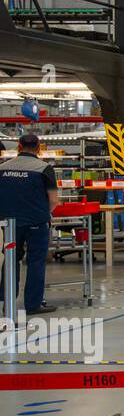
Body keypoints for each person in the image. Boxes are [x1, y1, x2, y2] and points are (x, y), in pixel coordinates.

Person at [0, 133, 58, 315]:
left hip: (10, 224)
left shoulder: (2, 168)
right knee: (36, 262)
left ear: (18, 146)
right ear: (38, 147)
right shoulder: (45, 169)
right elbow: (54, 200)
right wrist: (44, 214)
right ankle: (32, 305)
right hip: (37, 223)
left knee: (10, 261)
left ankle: (7, 302)